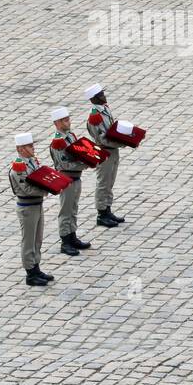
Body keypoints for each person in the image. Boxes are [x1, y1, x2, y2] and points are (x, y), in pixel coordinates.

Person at [47, 106, 93, 257]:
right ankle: (65, 241)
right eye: (64, 120)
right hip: (66, 178)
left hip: (76, 177)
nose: (68, 122)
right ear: (57, 123)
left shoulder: (70, 136)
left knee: (73, 208)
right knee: (66, 211)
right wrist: (85, 164)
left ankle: (72, 236)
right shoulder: (58, 142)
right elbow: (64, 163)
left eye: (68, 119)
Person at [9, 132, 53, 286]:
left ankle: (36, 267)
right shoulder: (19, 167)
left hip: (37, 204)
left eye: (32, 145)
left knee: (37, 239)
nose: (32, 148)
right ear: (20, 149)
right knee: (28, 241)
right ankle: (30, 272)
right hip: (27, 206)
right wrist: (47, 190)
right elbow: (26, 189)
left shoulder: (32, 162)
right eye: (28, 146)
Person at [84, 84, 126, 227]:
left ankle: (107, 209)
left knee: (110, 181)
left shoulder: (104, 109)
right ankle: (101, 213)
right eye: (101, 94)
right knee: (103, 182)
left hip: (112, 150)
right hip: (104, 151)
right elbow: (102, 138)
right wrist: (121, 143)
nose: (104, 95)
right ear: (94, 98)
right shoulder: (95, 116)